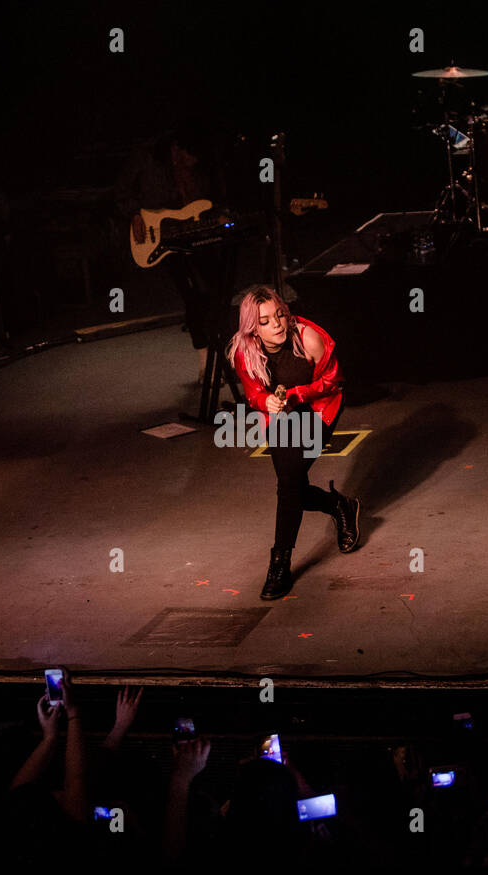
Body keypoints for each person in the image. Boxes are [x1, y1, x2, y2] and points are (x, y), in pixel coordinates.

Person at [226, 286, 360, 600]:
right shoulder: (245, 352)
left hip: (318, 408)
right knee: (290, 485)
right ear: (252, 328)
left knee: (288, 486)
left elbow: (334, 381)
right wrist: (264, 401)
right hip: (281, 416)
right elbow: (253, 393)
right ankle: (339, 505)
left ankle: (280, 563)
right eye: (265, 321)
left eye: (280, 315)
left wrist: (298, 395)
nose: (277, 324)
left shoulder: (309, 338)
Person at [114, 124, 237, 387]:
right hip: (165, 237)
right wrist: (134, 213)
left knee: (216, 292)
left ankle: (227, 358)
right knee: (192, 296)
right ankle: (205, 364)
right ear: (177, 149)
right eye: (190, 157)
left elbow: (215, 195)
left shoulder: (205, 165)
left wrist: (221, 211)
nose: (194, 164)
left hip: (198, 234)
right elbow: (122, 192)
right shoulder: (147, 157)